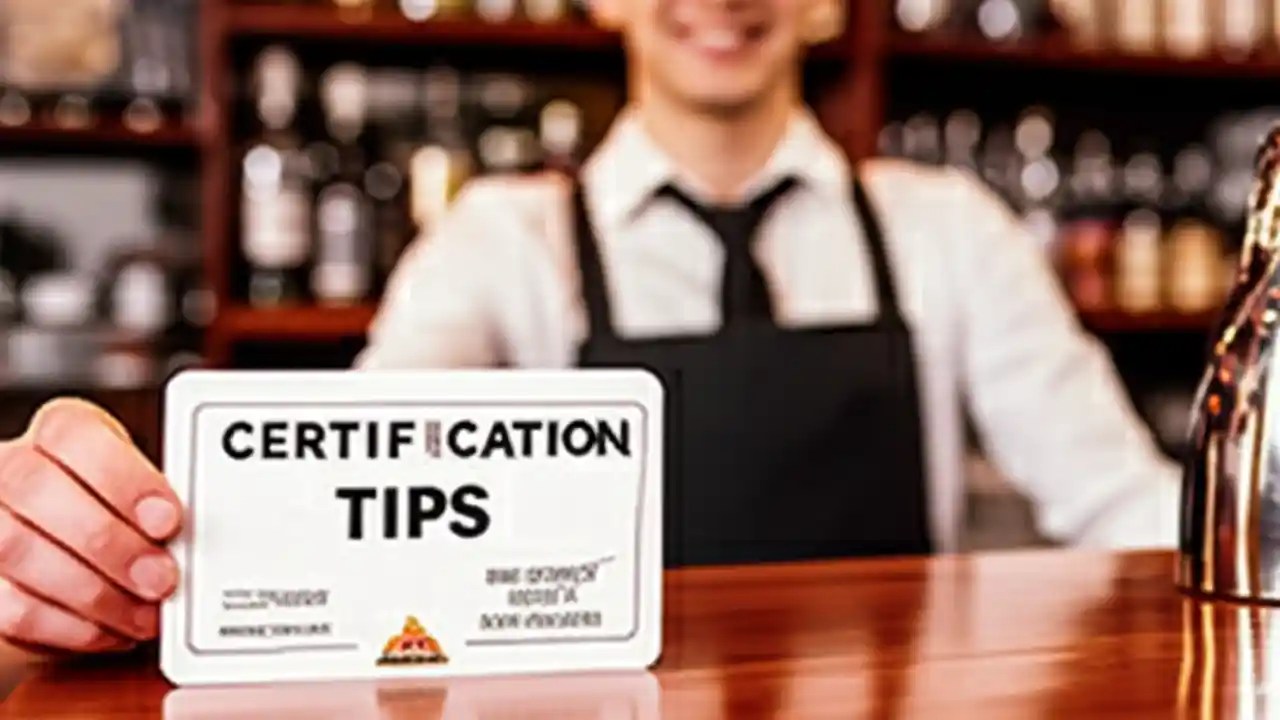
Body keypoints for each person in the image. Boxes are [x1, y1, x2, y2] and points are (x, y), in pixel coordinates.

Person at [0, 0, 1179, 657]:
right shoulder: (503, 238)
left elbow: (1118, 500)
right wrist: (118, 535)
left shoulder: (949, 230)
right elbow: (348, 484)